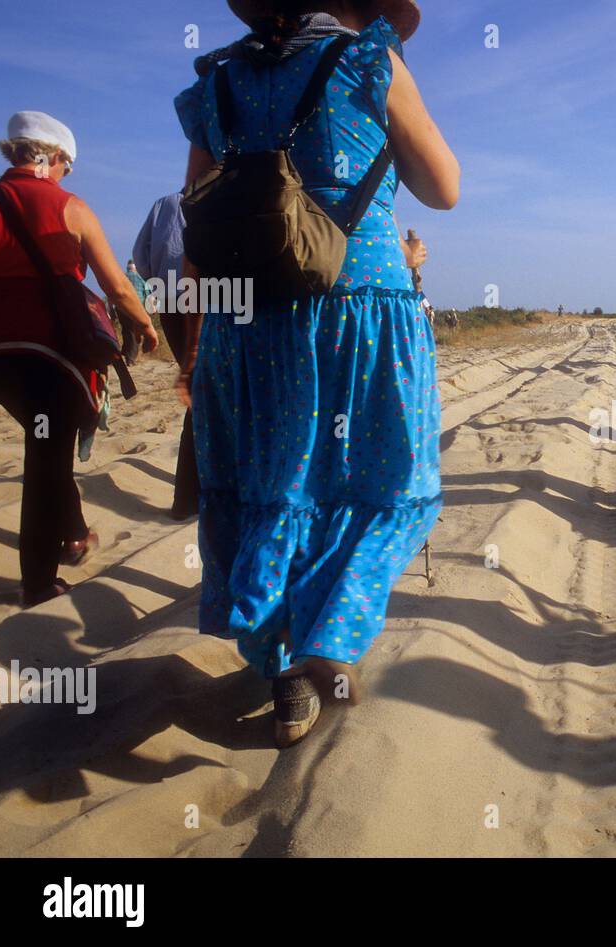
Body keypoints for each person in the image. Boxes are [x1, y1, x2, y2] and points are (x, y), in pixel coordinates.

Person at [174, 0, 459, 746]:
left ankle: (281, 669)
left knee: (271, 483)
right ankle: (330, 633)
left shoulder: (219, 80)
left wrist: (195, 342)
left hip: (248, 316)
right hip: (360, 301)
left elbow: (195, 222)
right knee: (387, 479)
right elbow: (444, 187)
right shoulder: (371, 60)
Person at [0, 111, 158, 606]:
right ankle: (39, 584)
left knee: (41, 437)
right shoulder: (70, 207)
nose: (66, 174)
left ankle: (74, 529)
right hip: (46, 354)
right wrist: (144, 326)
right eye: (67, 165)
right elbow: (118, 286)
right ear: (55, 158)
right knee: (46, 458)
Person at [133, 190, 201, 520]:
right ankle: (188, 498)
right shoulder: (223, 193)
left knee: (200, 392)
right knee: (206, 394)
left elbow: (140, 255)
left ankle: (189, 497)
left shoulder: (164, 204)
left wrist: (160, 282)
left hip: (172, 302)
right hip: (217, 299)